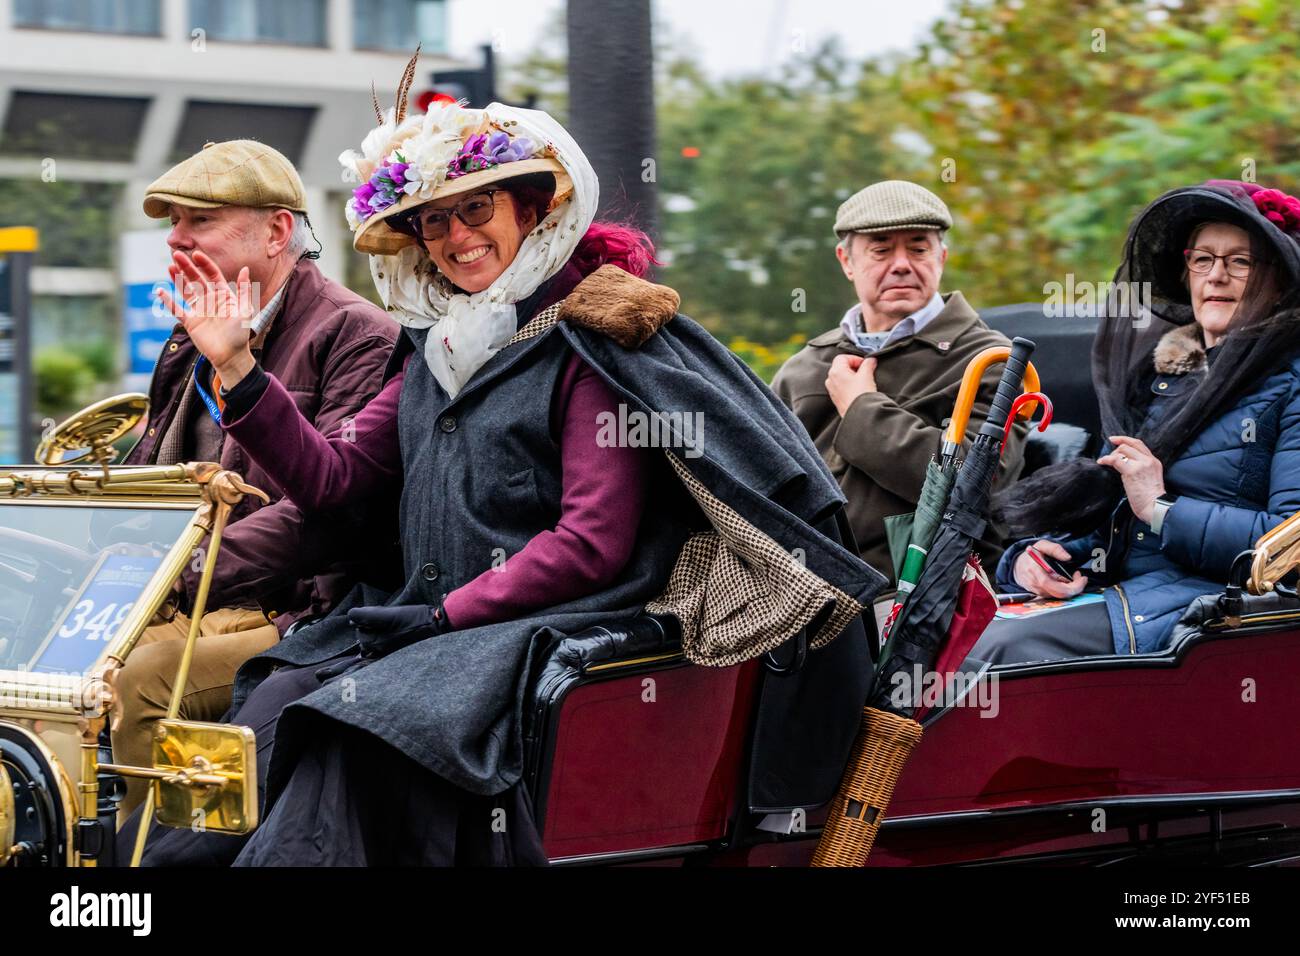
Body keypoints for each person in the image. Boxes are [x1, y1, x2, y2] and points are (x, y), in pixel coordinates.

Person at [125, 85, 882, 865]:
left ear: (530, 212)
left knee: (351, 735)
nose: (457, 238)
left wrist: (446, 615)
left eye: (477, 211)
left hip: (539, 627)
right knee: (265, 708)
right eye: (435, 221)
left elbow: (591, 544)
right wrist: (239, 368)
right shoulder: (436, 353)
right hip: (425, 625)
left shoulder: (590, 343)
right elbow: (336, 481)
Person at [112, 140, 397, 815]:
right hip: (198, 596)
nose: (176, 238)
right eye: (172, 222)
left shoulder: (357, 333)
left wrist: (178, 572)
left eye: (200, 220)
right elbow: (149, 474)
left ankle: (139, 866)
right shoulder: (193, 333)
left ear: (276, 231)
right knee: (50, 667)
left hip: (297, 611)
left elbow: (326, 511)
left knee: (139, 681)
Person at [972, 180, 1300, 664]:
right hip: (1129, 592)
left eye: (1241, 261)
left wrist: (1162, 508)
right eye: (1202, 259)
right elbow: (1110, 513)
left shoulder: (1291, 382)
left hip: (1210, 615)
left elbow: (1289, 551)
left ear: (1277, 281)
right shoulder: (1158, 378)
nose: (1216, 276)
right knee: (947, 636)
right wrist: (1036, 559)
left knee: (994, 650)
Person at [772, 180, 1028, 615]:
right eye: (880, 249)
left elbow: (979, 484)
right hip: (802, 601)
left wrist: (861, 409)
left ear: (942, 258)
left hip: (926, 602)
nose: (902, 265)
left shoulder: (989, 360)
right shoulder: (803, 369)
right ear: (846, 261)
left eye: (918, 248)